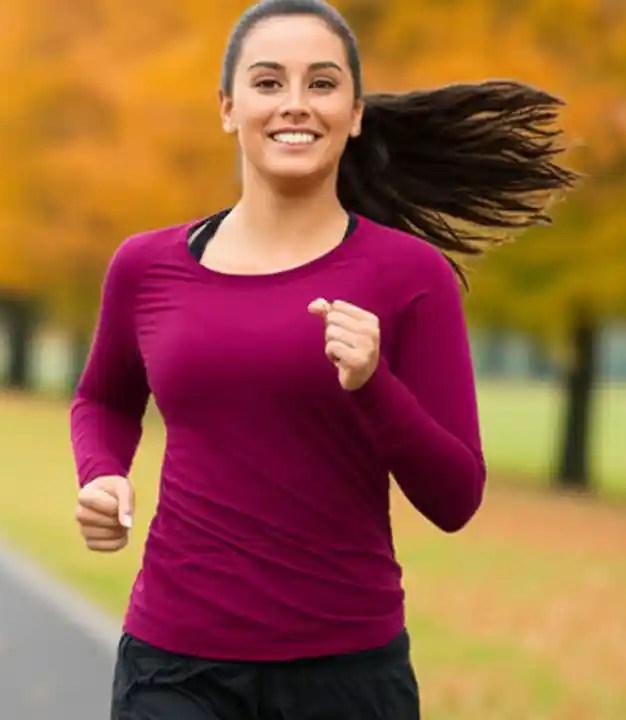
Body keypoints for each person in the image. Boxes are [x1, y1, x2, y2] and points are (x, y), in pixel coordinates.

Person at [68, 1, 574, 717]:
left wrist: (375, 386)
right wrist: (103, 476)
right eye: (269, 82)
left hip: (346, 674)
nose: (295, 105)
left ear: (356, 112)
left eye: (323, 83)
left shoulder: (410, 275)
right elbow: (105, 400)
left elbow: (456, 498)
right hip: (175, 668)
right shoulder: (146, 266)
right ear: (227, 107)